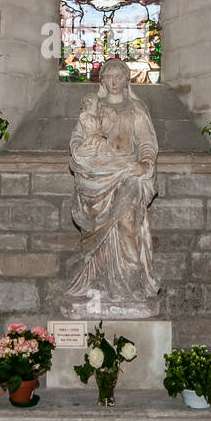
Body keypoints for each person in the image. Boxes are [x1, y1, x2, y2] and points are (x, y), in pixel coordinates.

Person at [65, 59, 160, 315]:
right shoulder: (93, 109)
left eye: (119, 76)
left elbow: (146, 142)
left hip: (128, 172)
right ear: (102, 82)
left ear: (127, 80)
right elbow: (78, 138)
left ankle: (129, 283)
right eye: (109, 77)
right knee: (98, 231)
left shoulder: (136, 108)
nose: (114, 81)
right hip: (98, 176)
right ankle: (99, 283)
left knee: (126, 223)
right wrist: (81, 149)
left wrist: (145, 164)